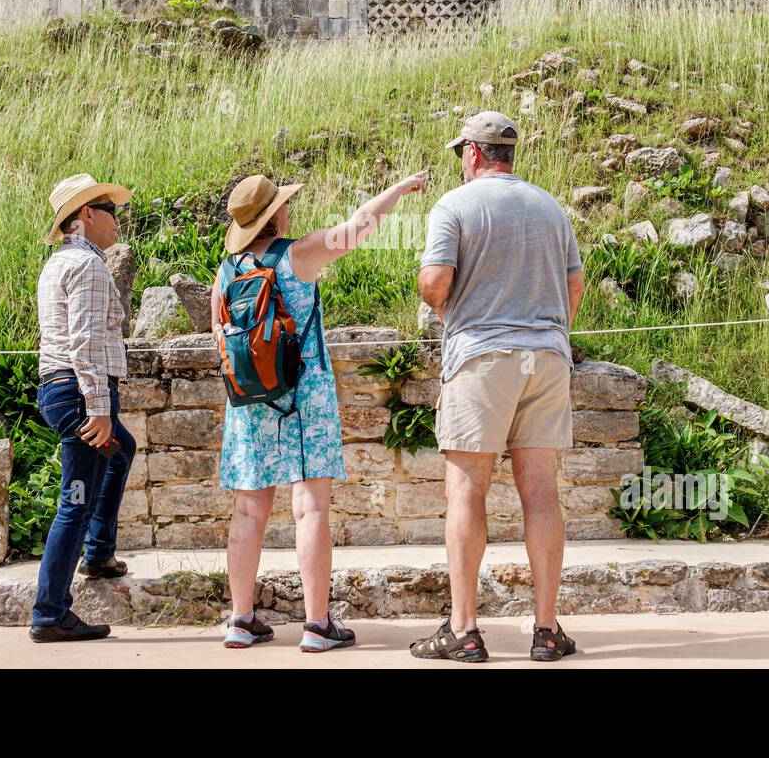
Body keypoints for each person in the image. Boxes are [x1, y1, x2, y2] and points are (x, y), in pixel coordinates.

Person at [211, 170, 427, 652]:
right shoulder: (300, 253)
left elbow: (220, 345)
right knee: (310, 508)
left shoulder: (225, 273)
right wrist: (398, 189)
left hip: (248, 401)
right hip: (304, 397)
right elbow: (361, 225)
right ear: (277, 213)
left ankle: (241, 620)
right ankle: (316, 625)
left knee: (248, 510)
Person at [411, 111, 584, 664]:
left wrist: (448, 307)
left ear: (471, 153)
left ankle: (464, 630)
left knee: (466, 491)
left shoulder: (455, 206)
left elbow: (436, 281)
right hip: (548, 358)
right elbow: (573, 285)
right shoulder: (550, 206)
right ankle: (547, 629)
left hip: (482, 357)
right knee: (540, 492)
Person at [30, 173, 138, 643]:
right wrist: (98, 408)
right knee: (74, 502)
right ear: (87, 215)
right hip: (79, 392)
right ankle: (50, 613)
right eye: (111, 211)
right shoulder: (90, 267)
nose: (119, 220)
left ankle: (98, 553)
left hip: (60, 388)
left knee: (123, 449)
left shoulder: (60, 262)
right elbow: (87, 342)